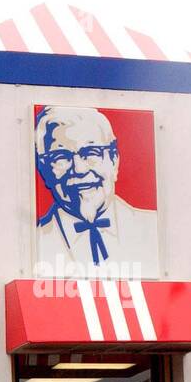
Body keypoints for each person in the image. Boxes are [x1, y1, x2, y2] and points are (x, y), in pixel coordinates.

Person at [34, 106, 157, 276]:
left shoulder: (151, 229)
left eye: (90, 152)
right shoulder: (35, 241)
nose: (79, 169)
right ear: (44, 170)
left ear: (114, 161)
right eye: (61, 157)